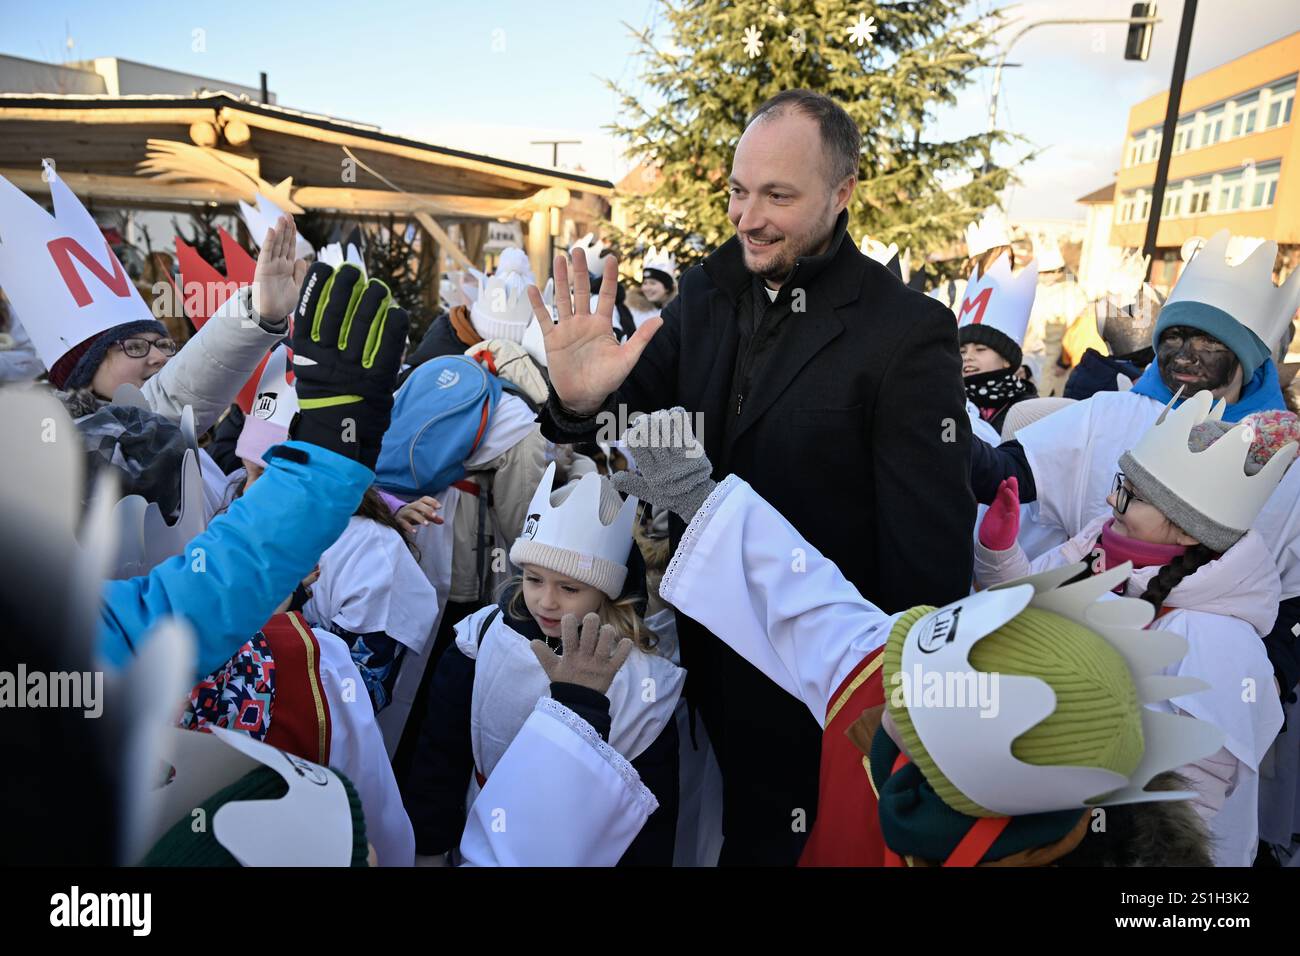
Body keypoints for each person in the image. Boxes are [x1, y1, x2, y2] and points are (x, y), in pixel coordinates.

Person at [527, 89, 974, 864]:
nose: (747, 217)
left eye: (778, 195)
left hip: (818, 697)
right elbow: (630, 428)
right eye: (738, 191)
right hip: (703, 675)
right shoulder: (707, 293)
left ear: (842, 195)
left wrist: (899, 713)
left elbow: (928, 560)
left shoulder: (904, 333)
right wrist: (579, 399)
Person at [610, 408, 1220, 866]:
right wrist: (698, 496)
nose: (885, 702)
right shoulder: (921, 681)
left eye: (918, 700)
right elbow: (826, 616)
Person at [975, 394, 1294, 865]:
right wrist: (1000, 553)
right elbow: (1029, 617)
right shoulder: (1095, 554)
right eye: (1120, 483)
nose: (1110, 498)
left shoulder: (1219, 643)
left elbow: (1187, 813)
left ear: (1187, 531)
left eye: (1133, 495)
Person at [404, 464, 684, 865]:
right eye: (534, 579)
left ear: (609, 590)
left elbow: (650, 807)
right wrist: (428, 845)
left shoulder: (642, 682)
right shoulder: (482, 638)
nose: (546, 602)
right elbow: (441, 755)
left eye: (569, 588)